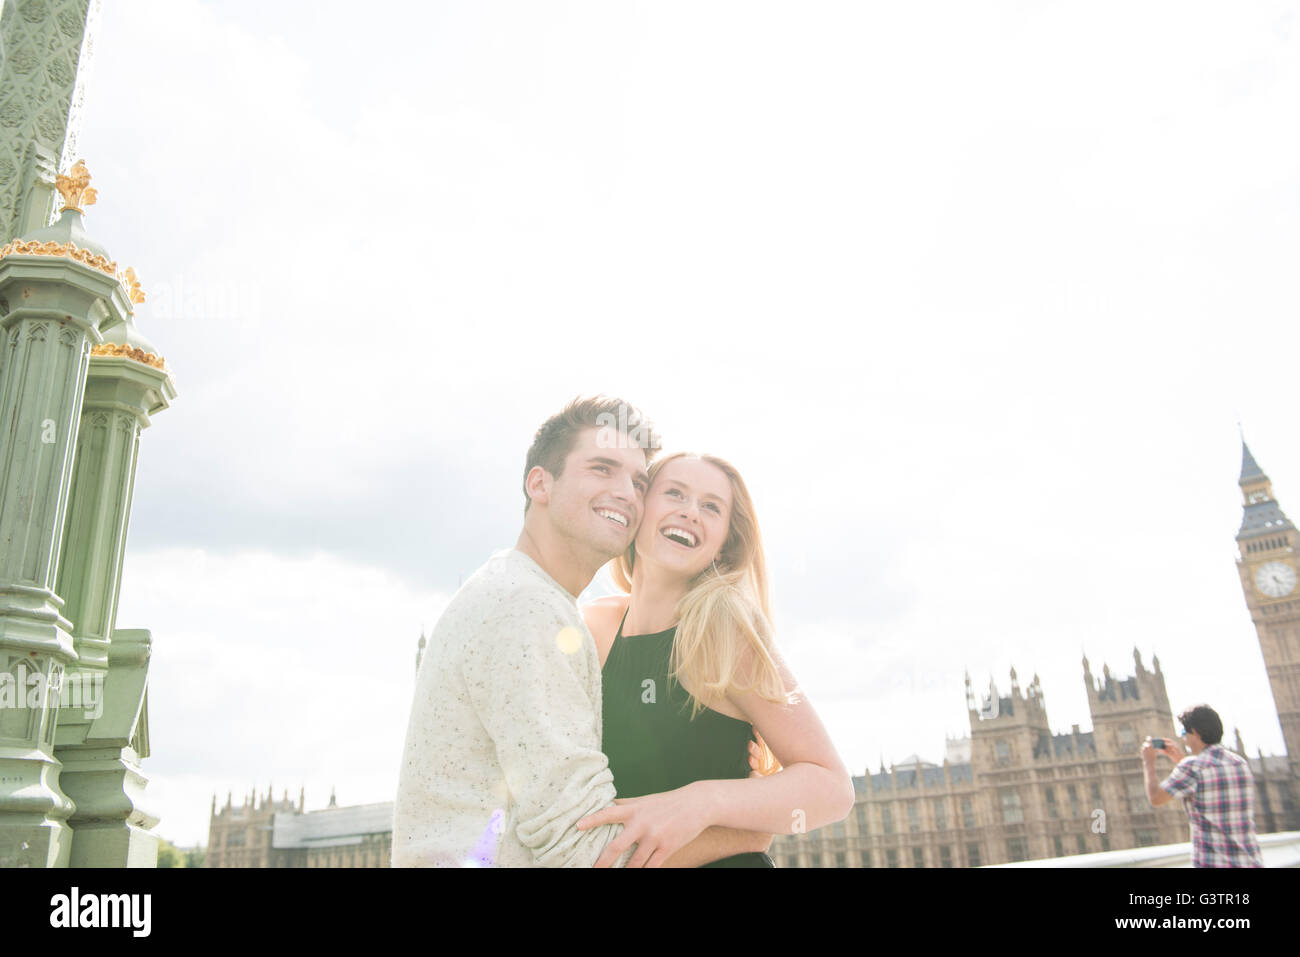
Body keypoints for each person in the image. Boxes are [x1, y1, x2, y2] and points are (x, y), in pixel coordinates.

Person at [392, 396, 767, 867]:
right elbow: (585, 852)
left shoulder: (520, 594)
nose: (627, 493)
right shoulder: (526, 608)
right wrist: (747, 827)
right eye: (602, 468)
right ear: (540, 483)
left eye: (638, 481)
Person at [577, 451, 856, 867]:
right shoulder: (591, 624)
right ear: (638, 508)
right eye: (674, 493)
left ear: (726, 542)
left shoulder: (723, 630)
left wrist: (704, 801)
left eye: (711, 506)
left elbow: (832, 788)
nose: (690, 512)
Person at [1142, 704, 1264, 868]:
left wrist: (1148, 761)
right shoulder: (1239, 763)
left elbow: (1156, 797)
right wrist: (1180, 760)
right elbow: (1206, 784)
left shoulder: (1192, 767)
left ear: (1195, 733)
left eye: (1185, 733)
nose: (1183, 738)